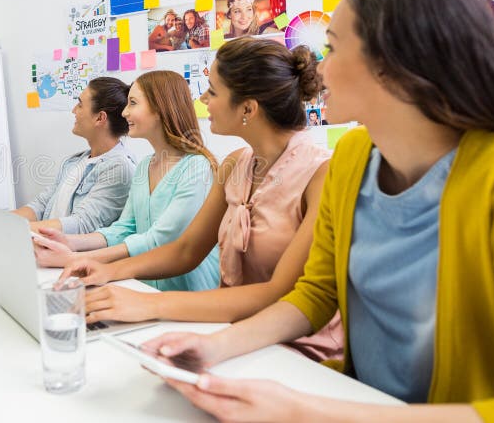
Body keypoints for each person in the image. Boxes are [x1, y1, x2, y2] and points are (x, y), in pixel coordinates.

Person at [142, 0, 494, 421]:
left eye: (333, 48)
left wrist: (301, 412)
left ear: (395, 65)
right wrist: (210, 348)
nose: (320, 67)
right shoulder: (351, 156)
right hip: (352, 398)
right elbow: (313, 294)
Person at [59, 37, 342, 361]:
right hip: (230, 333)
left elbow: (279, 293)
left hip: (299, 350)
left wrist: (148, 303)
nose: (203, 99)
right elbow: (186, 250)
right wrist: (107, 271)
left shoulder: (321, 173)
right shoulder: (235, 162)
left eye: (213, 91)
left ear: (248, 108)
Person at [34, 70, 219, 292]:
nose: (124, 112)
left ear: (160, 109)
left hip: (188, 295)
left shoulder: (196, 167)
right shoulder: (144, 167)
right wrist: (69, 241)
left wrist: (74, 258)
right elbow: (124, 228)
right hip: (145, 289)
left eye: (132, 103)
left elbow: (159, 239)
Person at [0, 77, 136, 237]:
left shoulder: (119, 167)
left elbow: (82, 224)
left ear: (100, 118)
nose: (74, 110)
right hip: (43, 252)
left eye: (80, 104)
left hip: (73, 262)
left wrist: (1, 229)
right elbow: (41, 206)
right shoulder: (75, 161)